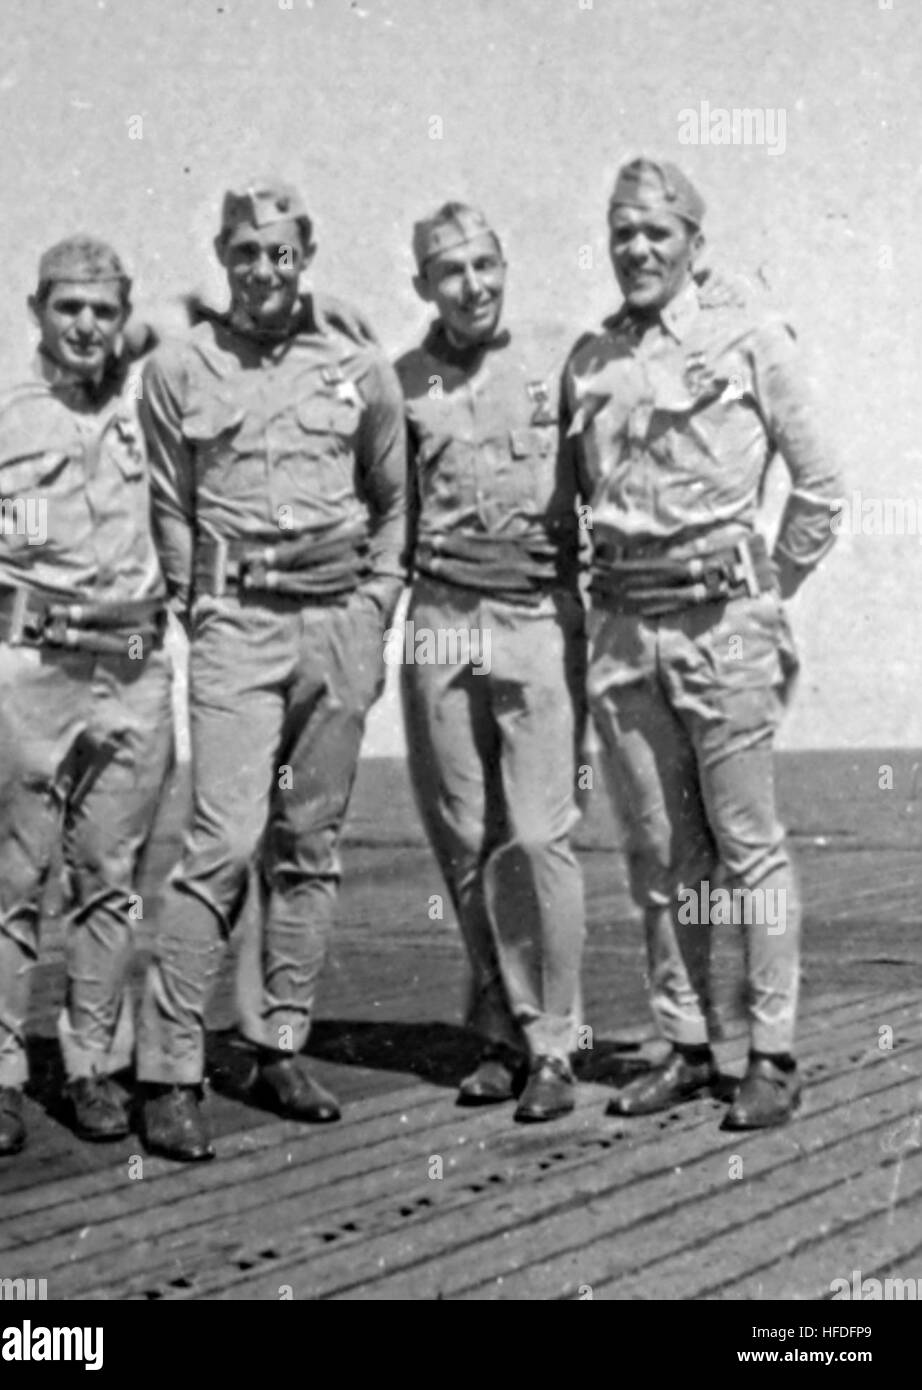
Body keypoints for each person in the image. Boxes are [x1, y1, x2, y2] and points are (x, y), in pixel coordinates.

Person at [562, 158, 842, 1128]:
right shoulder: (590, 359)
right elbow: (575, 506)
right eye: (622, 235)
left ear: (693, 243)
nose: (637, 251)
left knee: (747, 846)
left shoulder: (750, 337)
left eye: (657, 235)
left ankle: (770, 1055)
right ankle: (683, 1046)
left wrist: (769, 589)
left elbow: (820, 489)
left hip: (723, 629)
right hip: (623, 632)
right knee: (658, 851)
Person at [135, 175, 407, 1161]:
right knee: (220, 843)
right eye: (245, 253)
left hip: (337, 622)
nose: (263, 270)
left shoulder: (360, 367)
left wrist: (377, 607)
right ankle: (168, 1070)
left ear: (306, 255)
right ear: (223, 257)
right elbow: (169, 501)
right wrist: (195, 603)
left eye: (281, 252)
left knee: (309, 845)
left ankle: (276, 1043)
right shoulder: (178, 369)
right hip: (237, 625)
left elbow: (391, 499)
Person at [0, 237, 174, 1155]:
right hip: (30, 675)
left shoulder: (149, 409)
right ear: (39, 310)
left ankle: (91, 1065)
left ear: (123, 320)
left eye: (105, 311)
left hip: (131, 674)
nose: (86, 325)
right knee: (8, 886)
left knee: (109, 884)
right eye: (69, 308)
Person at [395, 202, 588, 1123]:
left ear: (504, 264)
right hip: (437, 621)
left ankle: (555, 1044)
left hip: (535, 618)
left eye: (483, 265)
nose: (470, 285)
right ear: (423, 285)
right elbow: (381, 522)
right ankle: (504, 1032)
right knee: (465, 836)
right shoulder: (400, 384)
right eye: (448, 271)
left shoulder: (563, 360)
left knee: (540, 836)